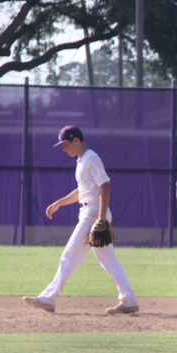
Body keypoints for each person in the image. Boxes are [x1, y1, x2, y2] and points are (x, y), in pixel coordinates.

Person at [23, 126, 139, 315]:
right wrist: (60, 203)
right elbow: (83, 191)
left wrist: (101, 219)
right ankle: (129, 300)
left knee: (69, 254)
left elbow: (105, 186)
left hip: (93, 213)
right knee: (108, 260)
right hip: (90, 211)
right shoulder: (82, 161)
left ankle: (48, 298)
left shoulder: (91, 158)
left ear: (76, 140)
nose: (64, 148)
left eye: (65, 144)